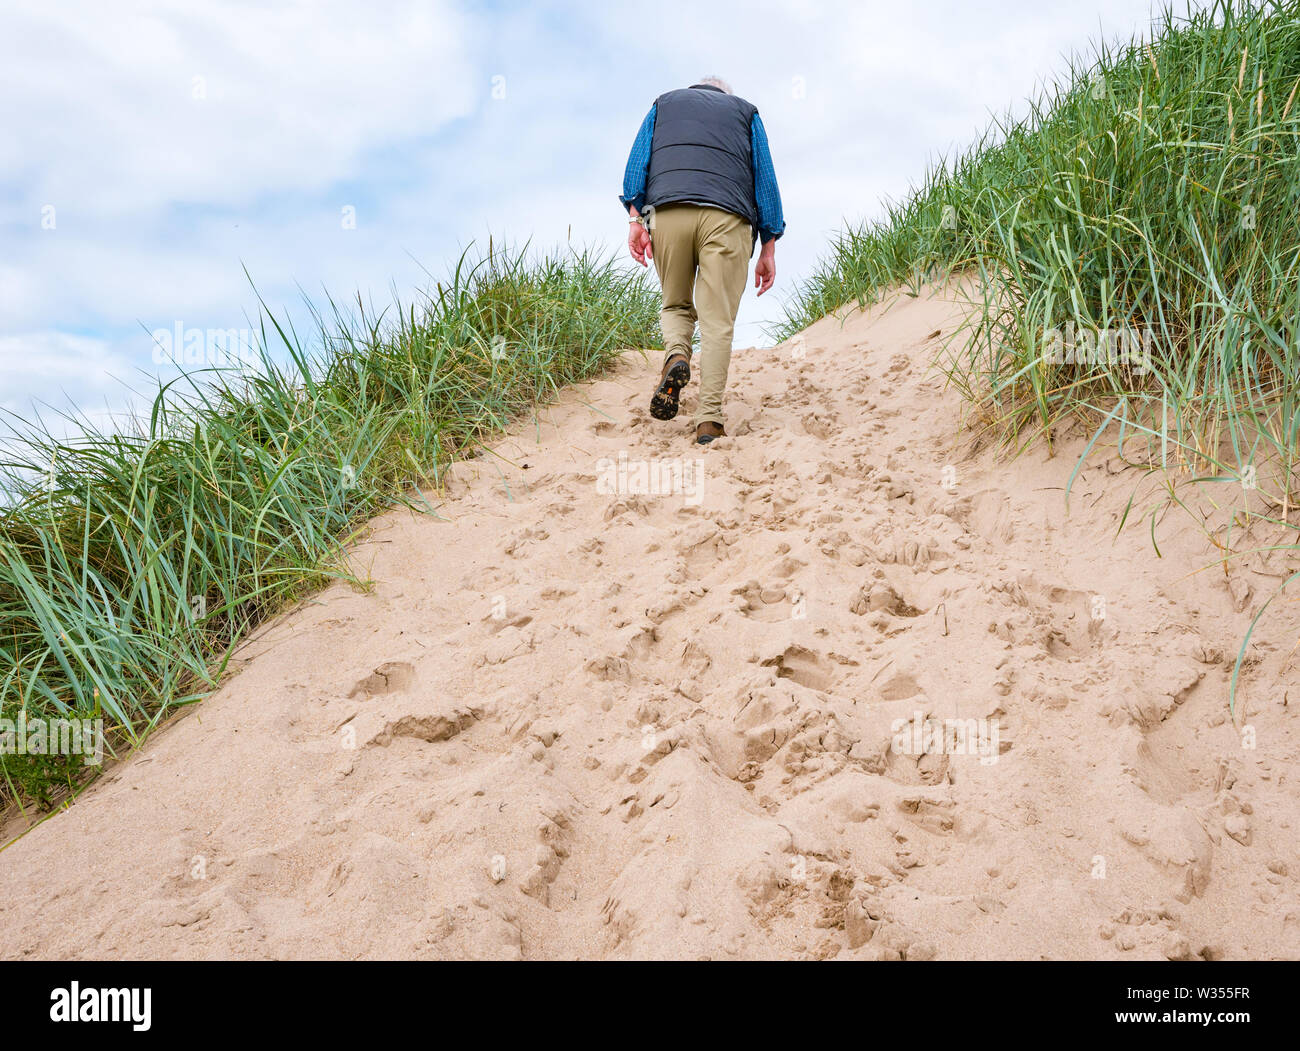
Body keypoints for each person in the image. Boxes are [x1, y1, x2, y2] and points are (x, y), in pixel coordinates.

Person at [619, 75, 785, 444]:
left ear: (694, 92)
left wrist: (635, 220)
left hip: (668, 212)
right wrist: (769, 244)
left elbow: (636, 166)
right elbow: (765, 180)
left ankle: (677, 356)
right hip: (727, 218)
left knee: (676, 303)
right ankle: (709, 419)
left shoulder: (663, 104)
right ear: (724, 95)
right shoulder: (746, 113)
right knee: (717, 322)